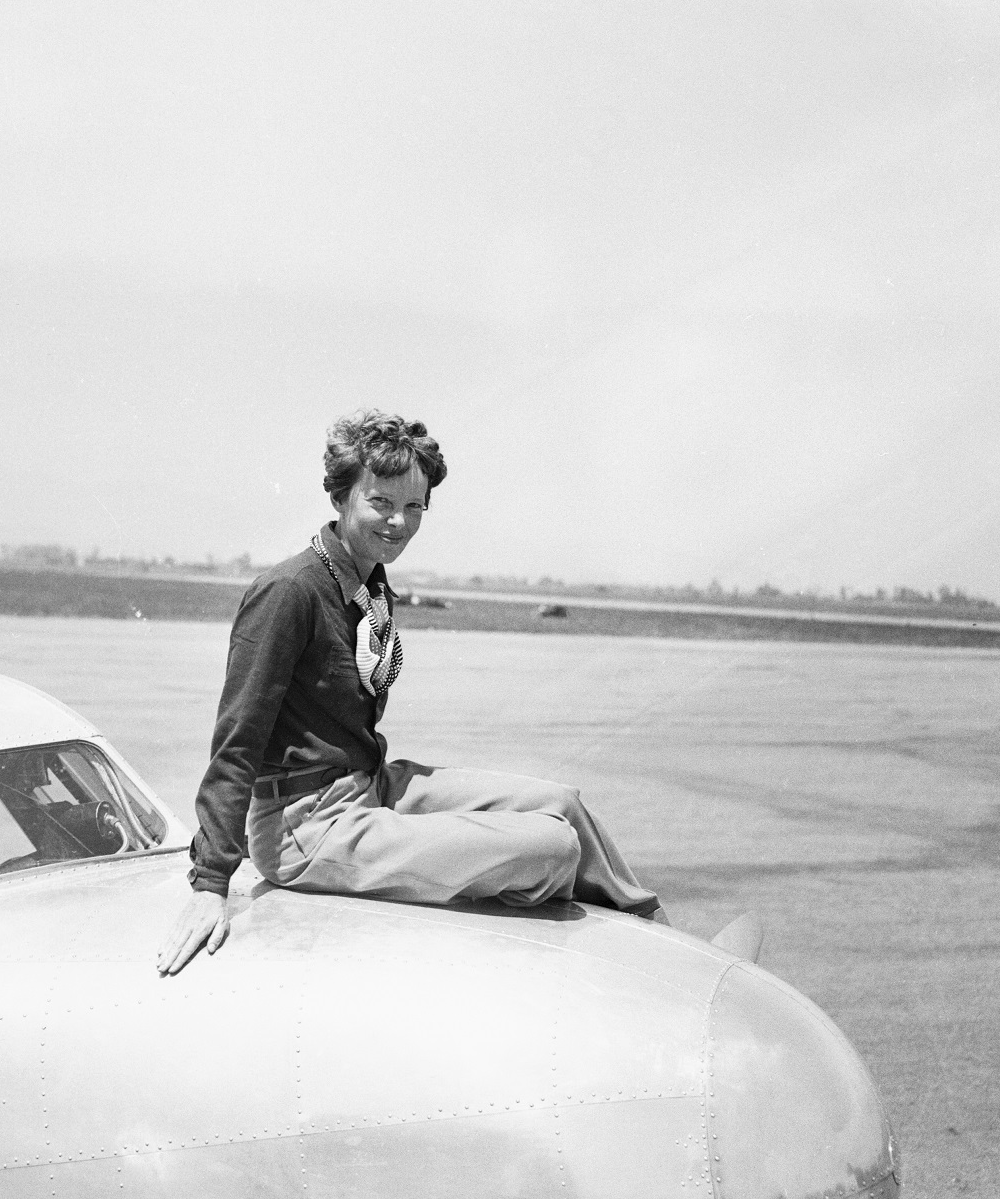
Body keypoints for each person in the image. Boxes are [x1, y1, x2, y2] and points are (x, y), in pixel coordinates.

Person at [156, 410, 665, 975]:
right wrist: (211, 883)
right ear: (341, 496)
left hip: (367, 784)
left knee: (563, 804)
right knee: (554, 847)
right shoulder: (289, 592)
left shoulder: (369, 585)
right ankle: (633, 959)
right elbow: (237, 741)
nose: (399, 522)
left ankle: (657, 932)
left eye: (415, 507)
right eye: (381, 502)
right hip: (307, 826)